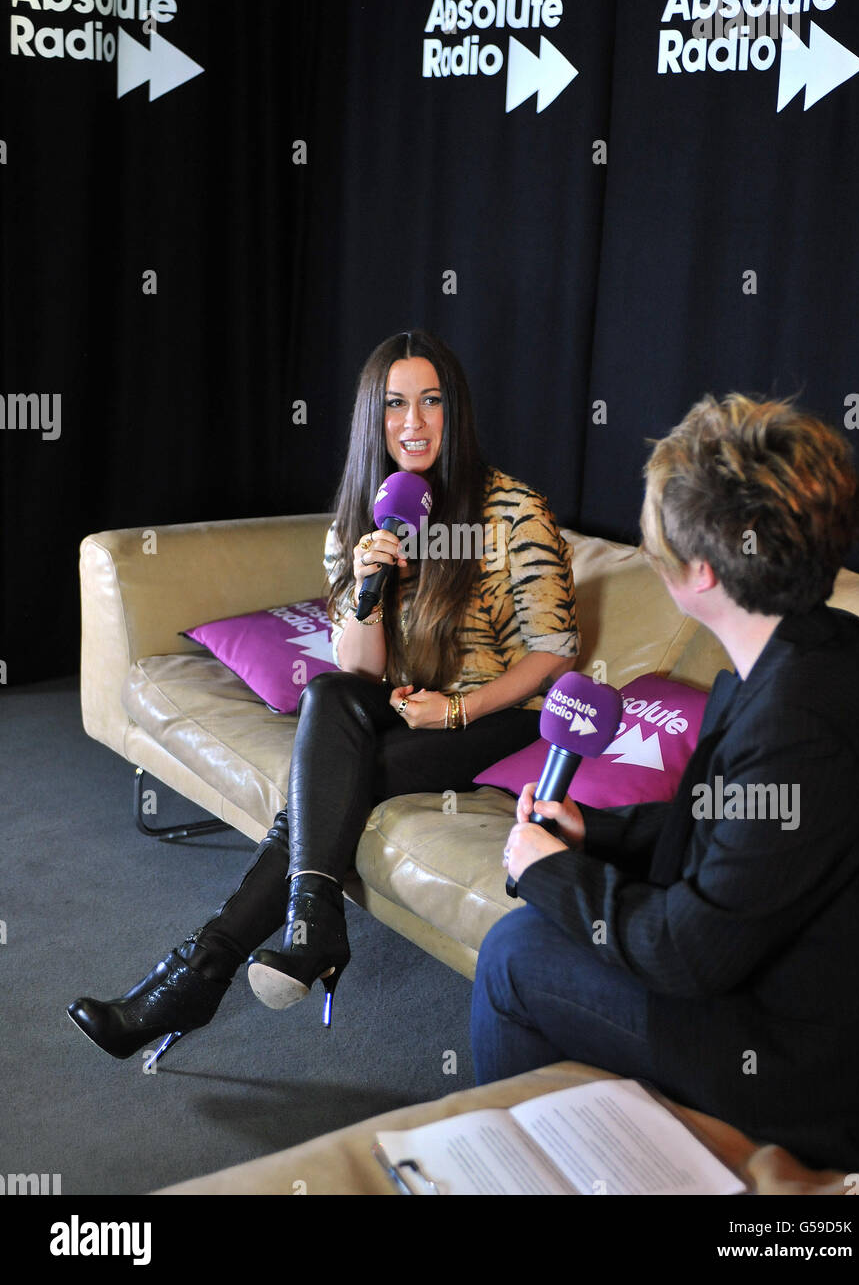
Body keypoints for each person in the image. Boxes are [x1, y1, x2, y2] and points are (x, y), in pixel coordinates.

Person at [68, 329, 580, 1063]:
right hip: (404, 703)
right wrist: (370, 588)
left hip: (502, 716)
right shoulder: (366, 516)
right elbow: (359, 672)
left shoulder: (514, 511)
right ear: (374, 416)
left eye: (432, 402)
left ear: (456, 411)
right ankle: (308, 922)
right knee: (331, 697)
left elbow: (555, 653)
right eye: (395, 404)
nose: (413, 422)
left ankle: (198, 973)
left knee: (339, 788)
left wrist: (459, 709)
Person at [474, 393, 859, 1171]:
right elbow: (735, 831)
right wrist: (593, 833)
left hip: (813, 1067)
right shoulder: (828, 645)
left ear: (702, 571)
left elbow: (689, 954)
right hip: (788, 984)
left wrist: (551, 873)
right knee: (534, 934)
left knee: (514, 955)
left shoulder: (799, 726)